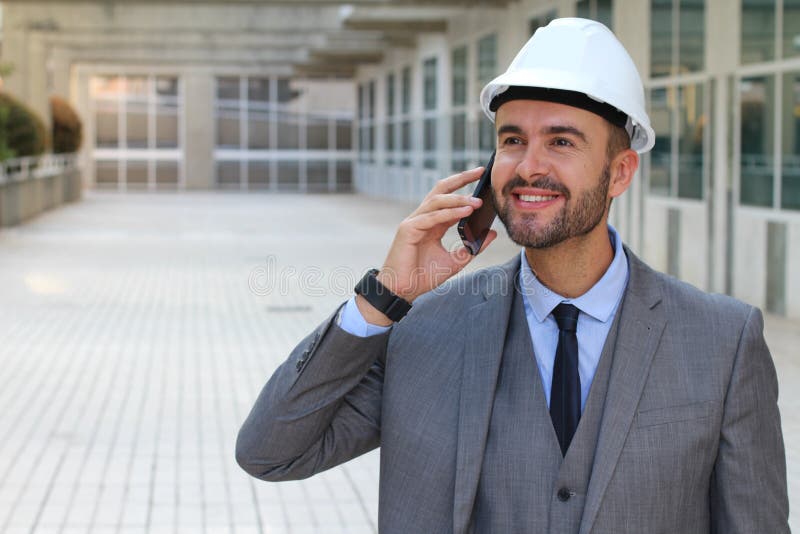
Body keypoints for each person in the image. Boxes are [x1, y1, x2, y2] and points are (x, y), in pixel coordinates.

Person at [236, 18, 788, 533]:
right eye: (512, 139)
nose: (528, 167)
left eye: (561, 141)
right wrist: (385, 296)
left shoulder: (722, 342)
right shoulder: (425, 331)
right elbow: (271, 451)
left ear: (620, 172)